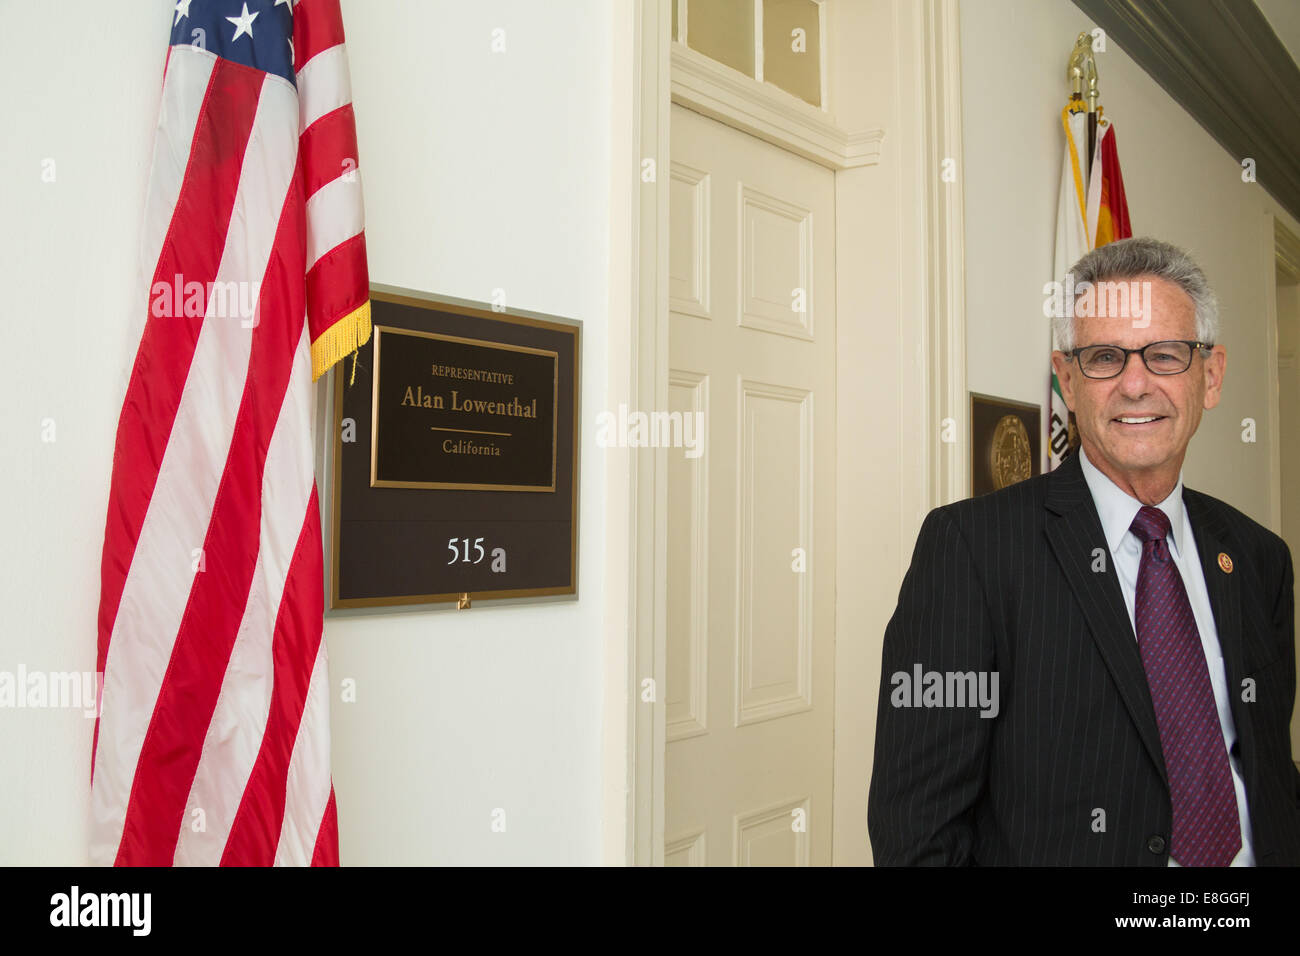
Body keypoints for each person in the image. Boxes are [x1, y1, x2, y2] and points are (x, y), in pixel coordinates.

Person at [867, 237, 1300, 865]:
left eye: (1165, 355)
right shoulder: (971, 552)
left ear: (1211, 375)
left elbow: (1262, 767)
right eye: (1104, 358)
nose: (1134, 385)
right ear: (1068, 381)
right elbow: (918, 830)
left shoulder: (1259, 558)